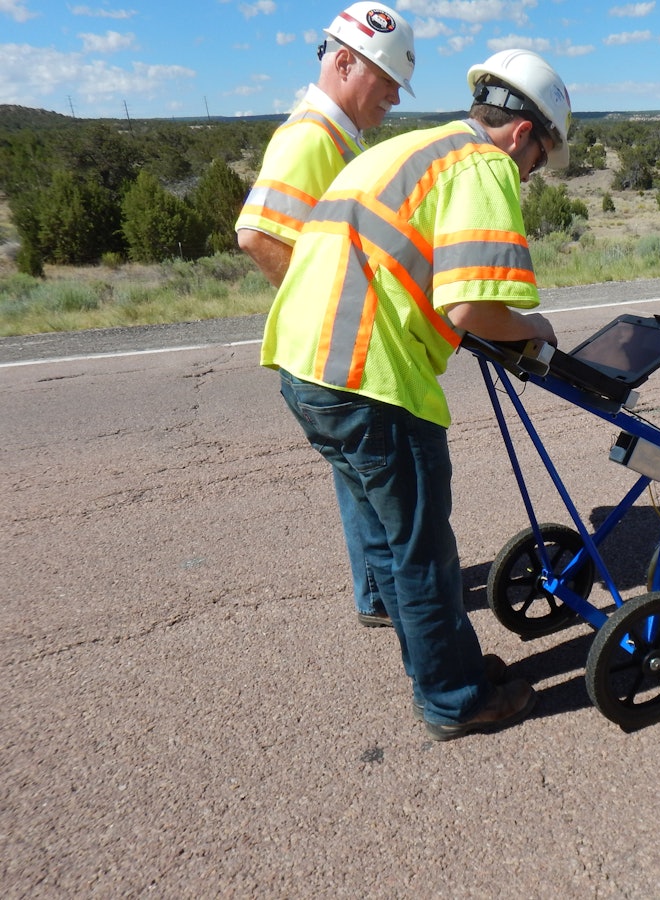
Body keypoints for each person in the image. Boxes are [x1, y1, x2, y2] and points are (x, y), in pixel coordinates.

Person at [261, 49, 571, 740]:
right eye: (540, 158)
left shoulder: (411, 146)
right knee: (423, 548)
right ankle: (454, 698)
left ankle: (415, 637)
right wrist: (536, 330)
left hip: (303, 368)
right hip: (370, 378)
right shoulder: (485, 166)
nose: (531, 172)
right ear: (524, 135)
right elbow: (474, 310)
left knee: (380, 517)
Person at [236, 2, 415, 629]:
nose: (394, 96)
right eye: (386, 80)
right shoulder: (312, 135)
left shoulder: (338, 136)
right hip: (338, 355)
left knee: (358, 482)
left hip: (332, 354)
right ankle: (395, 599)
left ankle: (374, 592)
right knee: (382, 490)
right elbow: (258, 236)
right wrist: (325, 309)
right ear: (344, 62)